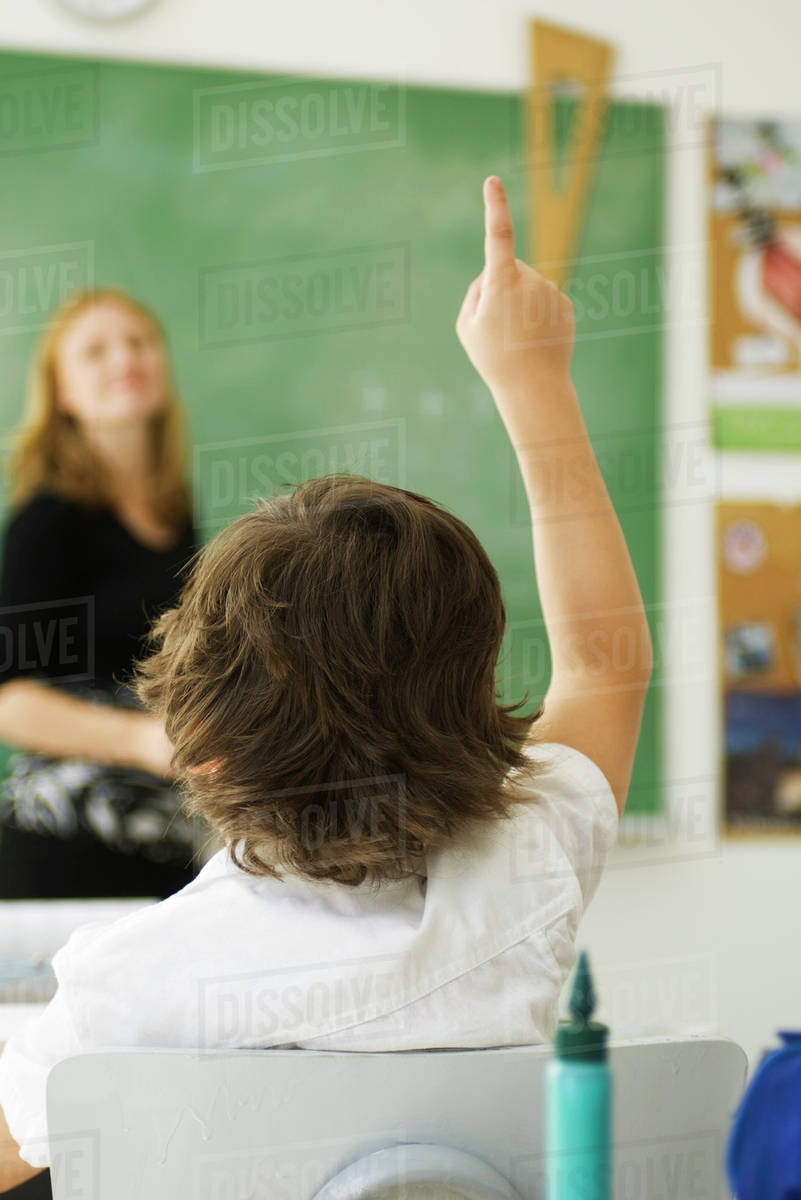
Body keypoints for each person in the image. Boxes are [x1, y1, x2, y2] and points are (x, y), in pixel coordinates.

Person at [0, 176, 652, 1192]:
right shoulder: (531, 868)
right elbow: (607, 663)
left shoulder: (128, 989)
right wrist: (536, 384)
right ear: (469, 701)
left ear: (202, 746)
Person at [0, 287, 203, 901]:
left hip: (168, 836)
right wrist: (147, 741)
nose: (125, 359)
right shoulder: (47, 521)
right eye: (95, 351)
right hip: (67, 844)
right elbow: (10, 701)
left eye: (139, 342)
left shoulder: (176, 513)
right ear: (62, 393)